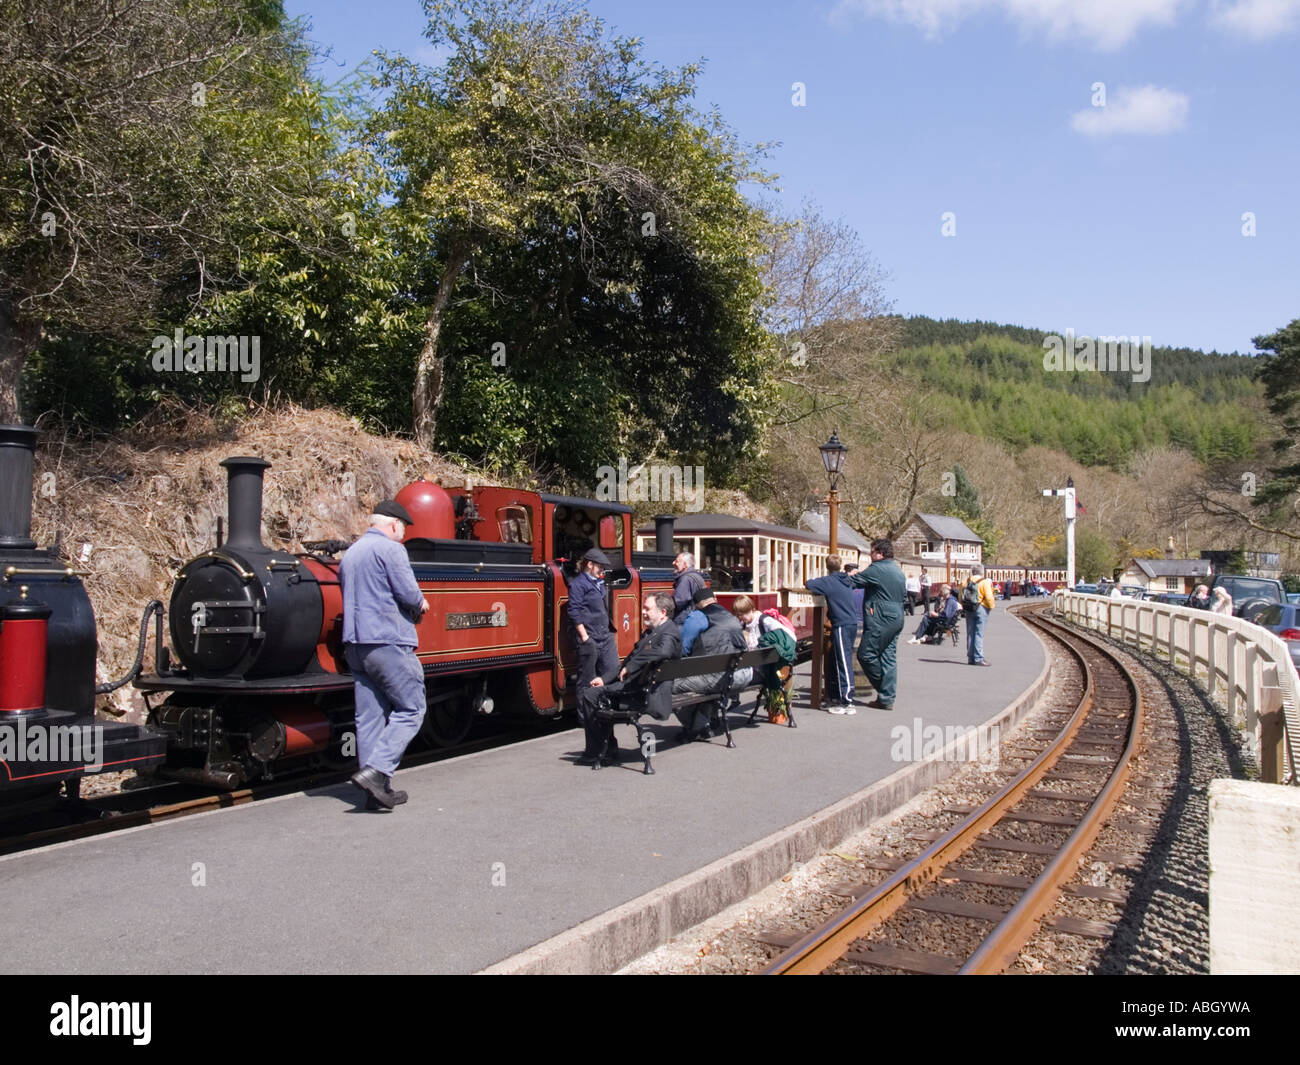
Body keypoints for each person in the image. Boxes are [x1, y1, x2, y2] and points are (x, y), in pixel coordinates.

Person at [339, 500, 430, 811]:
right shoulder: (391, 550)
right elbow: (407, 592)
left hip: (355, 644)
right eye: (402, 529)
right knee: (412, 709)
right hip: (387, 642)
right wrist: (421, 603)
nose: (402, 535)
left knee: (369, 719)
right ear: (393, 524)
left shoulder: (350, 553)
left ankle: (375, 792)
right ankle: (377, 773)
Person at [577, 591, 681, 766]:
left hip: (644, 693)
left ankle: (598, 752)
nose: (643, 612)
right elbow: (627, 661)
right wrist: (604, 679)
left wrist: (631, 667)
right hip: (639, 687)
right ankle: (606, 748)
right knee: (595, 692)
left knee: (590, 696)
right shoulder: (652, 633)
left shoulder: (668, 633)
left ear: (662, 612)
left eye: (647, 609)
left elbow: (662, 652)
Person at [672, 587, 751, 739]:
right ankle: (705, 722)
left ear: (697, 604)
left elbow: (683, 649)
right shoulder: (730, 616)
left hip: (721, 677)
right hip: (744, 675)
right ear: (714, 600)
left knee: (670, 684)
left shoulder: (697, 616)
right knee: (707, 685)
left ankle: (695, 727)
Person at [848, 539, 907, 710]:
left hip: (881, 618)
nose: (870, 555)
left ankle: (885, 692)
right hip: (897, 617)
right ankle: (886, 699)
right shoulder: (897, 570)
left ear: (879, 553)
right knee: (888, 658)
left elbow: (853, 582)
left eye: (871, 552)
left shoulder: (877, 569)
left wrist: (836, 579)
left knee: (865, 654)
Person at [807, 554, 859, 713]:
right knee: (838, 660)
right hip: (850, 623)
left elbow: (809, 584)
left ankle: (847, 702)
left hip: (841, 624)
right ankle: (837, 697)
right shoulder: (847, 580)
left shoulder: (828, 581)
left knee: (843, 662)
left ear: (827, 567)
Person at [568, 547, 618, 693]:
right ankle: (586, 714)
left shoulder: (599, 583)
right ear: (590, 565)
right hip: (590, 637)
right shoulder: (578, 584)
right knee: (587, 681)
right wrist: (585, 637)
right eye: (600, 567)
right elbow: (574, 612)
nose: (602, 570)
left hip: (605, 637)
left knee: (612, 672)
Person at [962, 563, 996, 667]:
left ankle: (971, 657)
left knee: (970, 633)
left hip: (968, 608)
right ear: (982, 571)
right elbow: (989, 597)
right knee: (979, 634)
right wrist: (991, 607)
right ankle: (978, 658)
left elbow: (960, 595)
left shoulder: (965, 581)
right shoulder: (984, 582)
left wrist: (964, 606)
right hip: (981, 608)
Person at [671, 551, 708, 621]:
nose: (673, 563)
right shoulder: (696, 576)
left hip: (684, 619)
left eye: (676, 561)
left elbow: (678, 602)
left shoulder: (686, 579)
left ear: (684, 565)